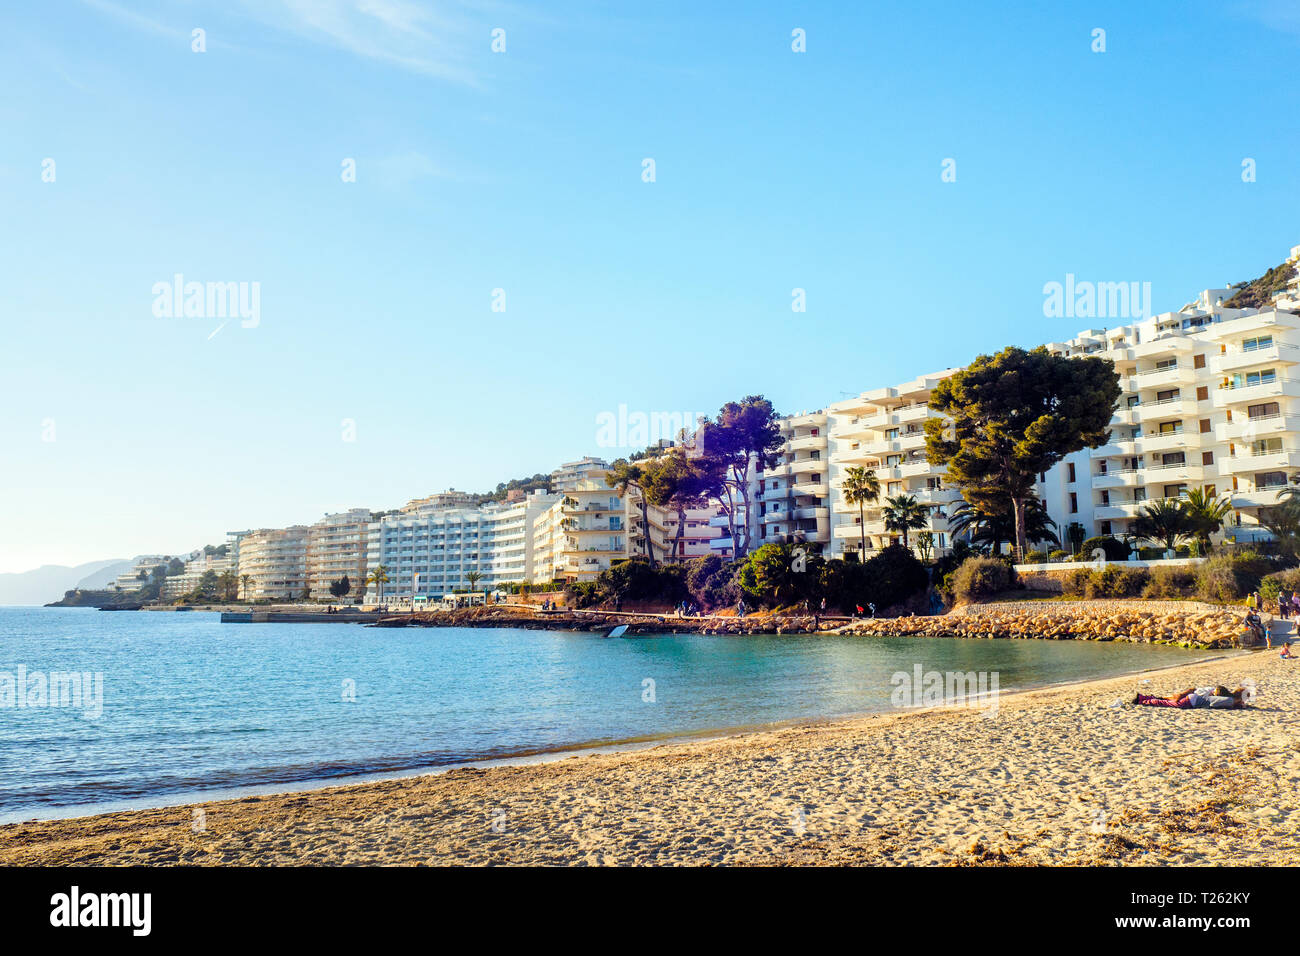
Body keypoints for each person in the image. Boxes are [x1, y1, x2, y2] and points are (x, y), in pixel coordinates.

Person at [1133, 686, 1246, 709]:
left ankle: (1143, 698)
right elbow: (1230, 702)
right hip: (1191, 701)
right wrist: (1239, 704)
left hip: (1193, 697)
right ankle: (1144, 700)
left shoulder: (1221, 693)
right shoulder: (1227, 699)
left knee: (1167, 700)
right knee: (1166, 703)